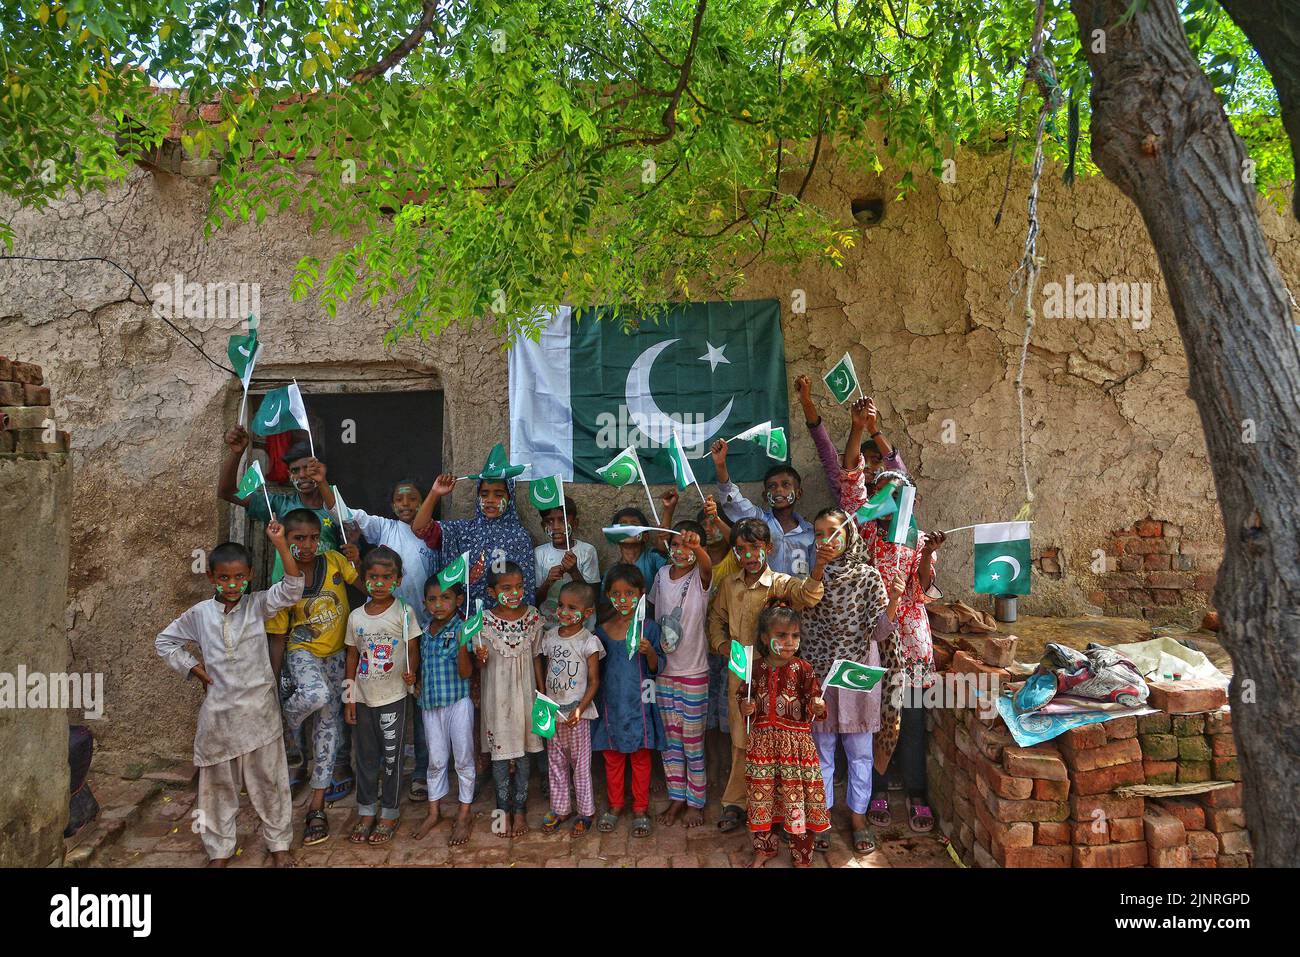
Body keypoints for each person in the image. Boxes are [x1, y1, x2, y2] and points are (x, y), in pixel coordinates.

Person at [154, 524, 304, 867]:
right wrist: (193, 668)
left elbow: (293, 588)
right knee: (217, 789)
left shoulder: (258, 605)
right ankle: (219, 851)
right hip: (219, 717)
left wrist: (281, 544)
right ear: (211, 578)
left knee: (271, 783)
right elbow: (164, 641)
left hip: (259, 714)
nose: (232, 584)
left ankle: (279, 845)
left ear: (249, 576)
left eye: (239, 577)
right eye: (224, 578)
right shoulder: (200, 614)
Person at [838, 456, 945, 834]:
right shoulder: (861, 533)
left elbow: (923, 592)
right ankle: (876, 791)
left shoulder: (917, 538)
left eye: (899, 495)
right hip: (868, 639)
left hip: (911, 640)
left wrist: (929, 554)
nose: (891, 500)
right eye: (886, 493)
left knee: (912, 720)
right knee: (871, 719)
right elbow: (851, 489)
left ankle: (916, 793)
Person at [706, 518, 830, 834]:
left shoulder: (779, 583)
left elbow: (808, 596)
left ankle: (776, 808)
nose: (747, 555)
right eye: (741, 549)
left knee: (772, 739)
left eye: (754, 548)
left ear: (768, 548)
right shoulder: (730, 585)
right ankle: (736, 803)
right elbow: (716, 620)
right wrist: (722, 646)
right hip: (740, 675)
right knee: (741, 738)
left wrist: (818, 568)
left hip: (775, 678)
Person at [798, 508, 906, 855]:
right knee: (822, 752)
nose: (825, 539)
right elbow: (802, 613)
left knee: (859, 752)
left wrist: (895, 601)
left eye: (832, 531)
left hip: (858, 672)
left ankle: (858, 817)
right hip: (819, 673)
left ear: (848, 535)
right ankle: (823, 816)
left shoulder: (868, 577)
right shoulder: (808, 576)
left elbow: (879, 631)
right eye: (818, 532)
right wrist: (817, 569)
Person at [266, 508, 360, 847]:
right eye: (298, 539)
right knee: (317, 697)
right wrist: (274, 683)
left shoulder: (333, 560)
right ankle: (285, 720)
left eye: (313, 538)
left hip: (337, 655)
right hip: (301, 652)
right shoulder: (283, 589)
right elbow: (278, 637)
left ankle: (317, 807)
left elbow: (363, 585)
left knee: (328, 731)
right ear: (286, 540)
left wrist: (357, 556)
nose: (307, 545)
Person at [345, 479, 438, 802]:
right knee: (389, 708)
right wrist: (322, 481)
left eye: (414, 499)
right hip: (385, 639)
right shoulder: (384, 528)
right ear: (391, 505)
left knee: (423, 704)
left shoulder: (433, 533)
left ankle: (422, 772)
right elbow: (343, 512)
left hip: (427, 634)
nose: (406, 504)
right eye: (400, 500)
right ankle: (387, 773)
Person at [737, 606, 831, 868]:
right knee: (763, 799)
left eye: (795, 636)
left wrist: (818, 706)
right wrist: (746, 707)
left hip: (796, 751)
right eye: (782, 635)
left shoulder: (805, 669)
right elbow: (743, 697)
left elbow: (815, 702)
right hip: (763, 747)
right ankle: (764, 849)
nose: (790, 642)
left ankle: (802, 855)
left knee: (797, 800)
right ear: (765, 638)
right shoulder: (753, 670)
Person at [343, 546, 419, 846]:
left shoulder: (404, 613)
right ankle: (366, 810)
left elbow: (413, 648)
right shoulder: (355, 616)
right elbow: (351, 656)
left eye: (387, 577)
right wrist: (349, 696)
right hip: (363, 698)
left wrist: (414, 676)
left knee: (392, 757)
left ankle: (389, 811)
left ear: (398, 580)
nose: (379, 583)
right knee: (365, 757)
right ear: (364, 579)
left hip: (394, 698)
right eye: (373, 577)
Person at [591, 564, 666, 838]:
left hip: (641, 705)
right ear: (608, 595)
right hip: (611, 705)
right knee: (612, 757)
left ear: (642, 594)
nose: (623, 600)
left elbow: (659, 667)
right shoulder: (602, 631)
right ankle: (615, 805)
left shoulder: (649, 628)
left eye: (629, 593)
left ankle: (640, 809)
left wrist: (649, 653)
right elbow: (594, 669)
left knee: (640, 757)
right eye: (616, 594)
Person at [649, 521, 713, 827]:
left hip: (693, 673)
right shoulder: (661, 575)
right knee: (670, 742)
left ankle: (695, 801)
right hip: (665, 674)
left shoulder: (701, 579)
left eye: (687, 546)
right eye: (676, 545)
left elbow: (707, 565)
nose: (681, 551)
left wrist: (698, 546)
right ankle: (676, 798)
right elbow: (653, 611)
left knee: (692, 742)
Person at [473, 561, 544, 838]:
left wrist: (541, 694)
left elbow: (537, 658)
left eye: (519, 587)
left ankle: (521, 809)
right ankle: (502, 809)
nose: (514, 593)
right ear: (491, 592)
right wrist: (479, 659)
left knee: (525, 753)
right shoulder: (482, 622)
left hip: (526, 695)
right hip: (497, 697)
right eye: (506, 588)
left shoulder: (534, 617)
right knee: (500, 755)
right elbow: (479, 666)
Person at [217, 428, 342, 581]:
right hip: (287, 593)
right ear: (289, 475)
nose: (302, 475)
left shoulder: (336, 505)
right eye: (295, 470)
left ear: (321, 469)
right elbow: (227, 492)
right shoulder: (279, 504)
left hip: (327, 592)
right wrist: (236, 453)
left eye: (308, 468)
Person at [534, 581, 603, 836]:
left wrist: (580, 708)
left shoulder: (589, 641)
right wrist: (542, 695)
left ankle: (586, 811)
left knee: (581, 765)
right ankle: (561, 808)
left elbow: (595, 681)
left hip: (578, 715)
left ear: (587, 613)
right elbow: (540, 661)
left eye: (571, 607)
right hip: (553, 711)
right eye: (561, 605)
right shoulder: (550, 636)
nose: (563, 611)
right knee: (555, 762)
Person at [413, 577, 476, 846]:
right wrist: (413, 679)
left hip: (458, 702)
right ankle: (434, 811)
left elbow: (466, 672)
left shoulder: (463, 628)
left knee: (462, 759)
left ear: (459, 601)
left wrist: (463, 644)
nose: (438, 604)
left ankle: (464, 812)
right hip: (430, 705)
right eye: (432, 599)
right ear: (425, 602)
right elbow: (420, 664)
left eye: (446, 598)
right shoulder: (425, 631)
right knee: (436, 760)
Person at [710, 439, 814, 575]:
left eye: (786, 485)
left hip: (797, 594)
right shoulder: (758, 521)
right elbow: (734, 501)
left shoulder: (810, 533)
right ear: (765, 496)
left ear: (799, 493)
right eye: (772, 486)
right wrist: (720, 464)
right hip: (762, 594)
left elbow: (815, 572)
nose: (779, 490)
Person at [794, 378, 908, 498]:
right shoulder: (848, 494)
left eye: (875, 460)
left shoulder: (899, 500)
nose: (867, 466)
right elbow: (824, 447)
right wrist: (806, 402)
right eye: (862, 461)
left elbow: (900, 475)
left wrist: (872, 429)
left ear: (888, 468)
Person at [533, 495, 600, 630]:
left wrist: (574, 571)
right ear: (543, 525)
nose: (556, 527)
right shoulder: (539, 553)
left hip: (582, 629)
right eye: (549, 521)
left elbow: (594, 597)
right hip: (549, 627)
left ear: (575, 524)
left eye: (562, 520)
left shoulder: (587, 551)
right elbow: (535, 600)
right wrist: (548, 582)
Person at [602, 501, 674, 598]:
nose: (628, 528)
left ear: (645, 536)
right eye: (623, 525)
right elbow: (605, 604)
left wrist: (668, 510)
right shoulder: (611, 572)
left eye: (634, 524)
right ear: (615, 537)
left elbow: (662, 546)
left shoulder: (652, 558)